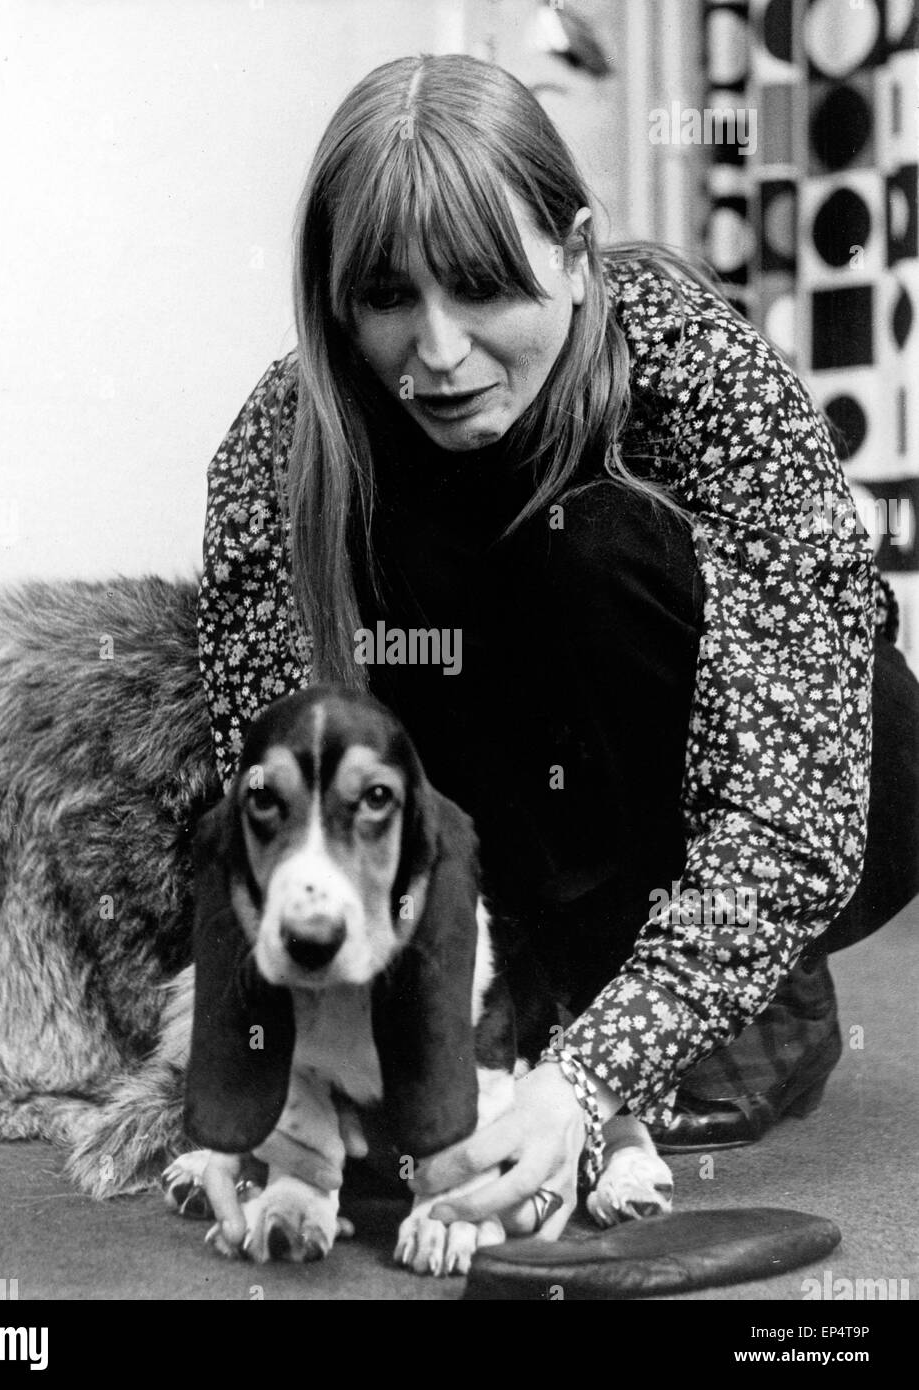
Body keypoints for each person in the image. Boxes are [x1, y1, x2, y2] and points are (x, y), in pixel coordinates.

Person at [195, 53, 919, 1232]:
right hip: (528, 806)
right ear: (339, 301)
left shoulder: (705, 376)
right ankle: (541, 980)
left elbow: (794, 815)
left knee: (597, 547)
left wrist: (588, 1073)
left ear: (576, 256)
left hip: (818, 785)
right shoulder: (282, 451)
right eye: (387, 299)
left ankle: (753, 999)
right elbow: (277, 788)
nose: (435, 351)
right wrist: (272, 1078)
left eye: (481, 288)